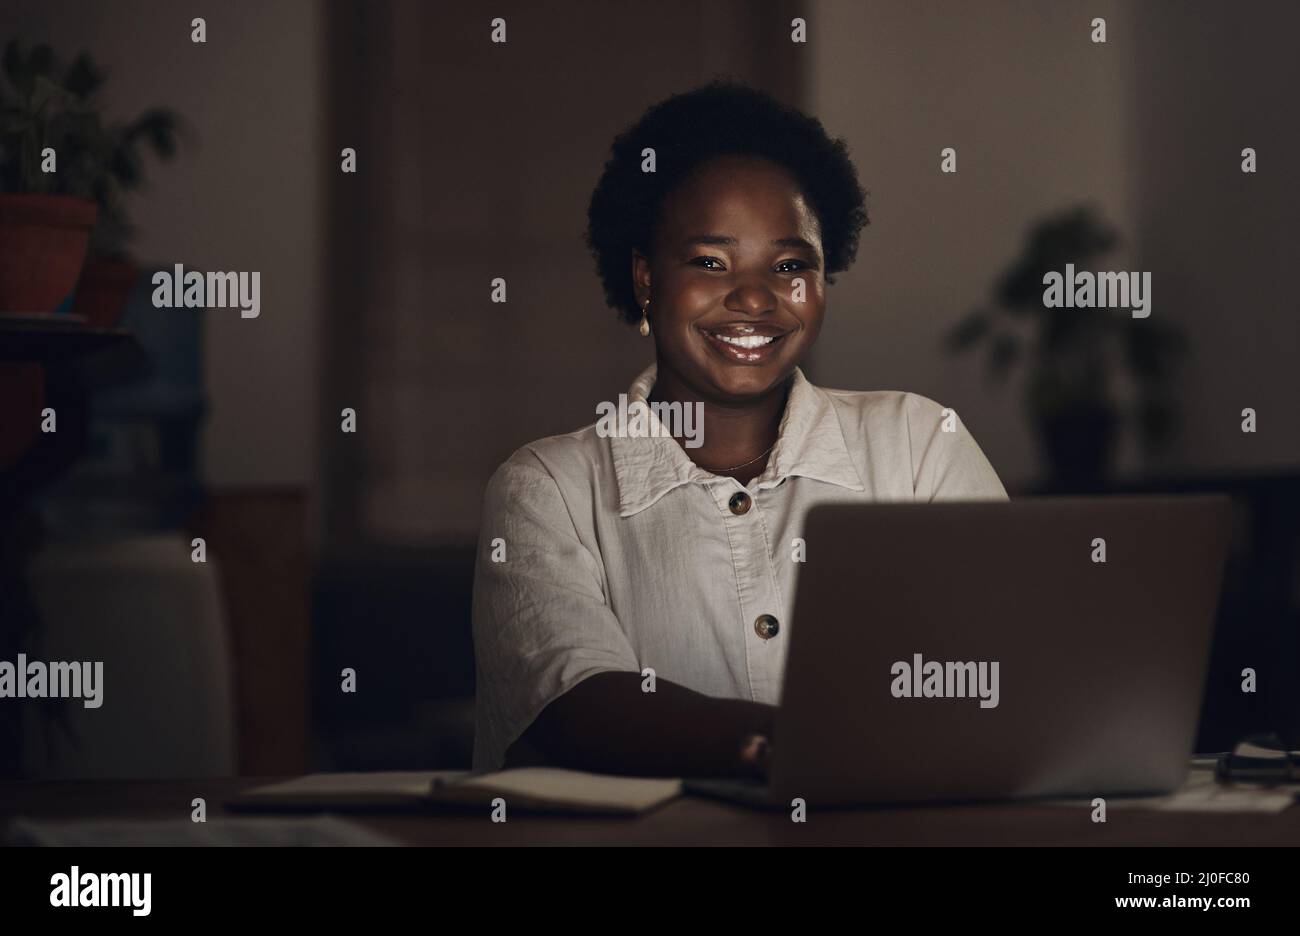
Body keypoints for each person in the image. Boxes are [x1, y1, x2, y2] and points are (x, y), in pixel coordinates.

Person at [472, 80, 1007, 778]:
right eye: (709, 262)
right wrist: (815, 745)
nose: (755, 297)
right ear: (644, 279)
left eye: (789, 266)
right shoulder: (547, 490)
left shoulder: (918, 442)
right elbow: (578, 707)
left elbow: (1006, 663)